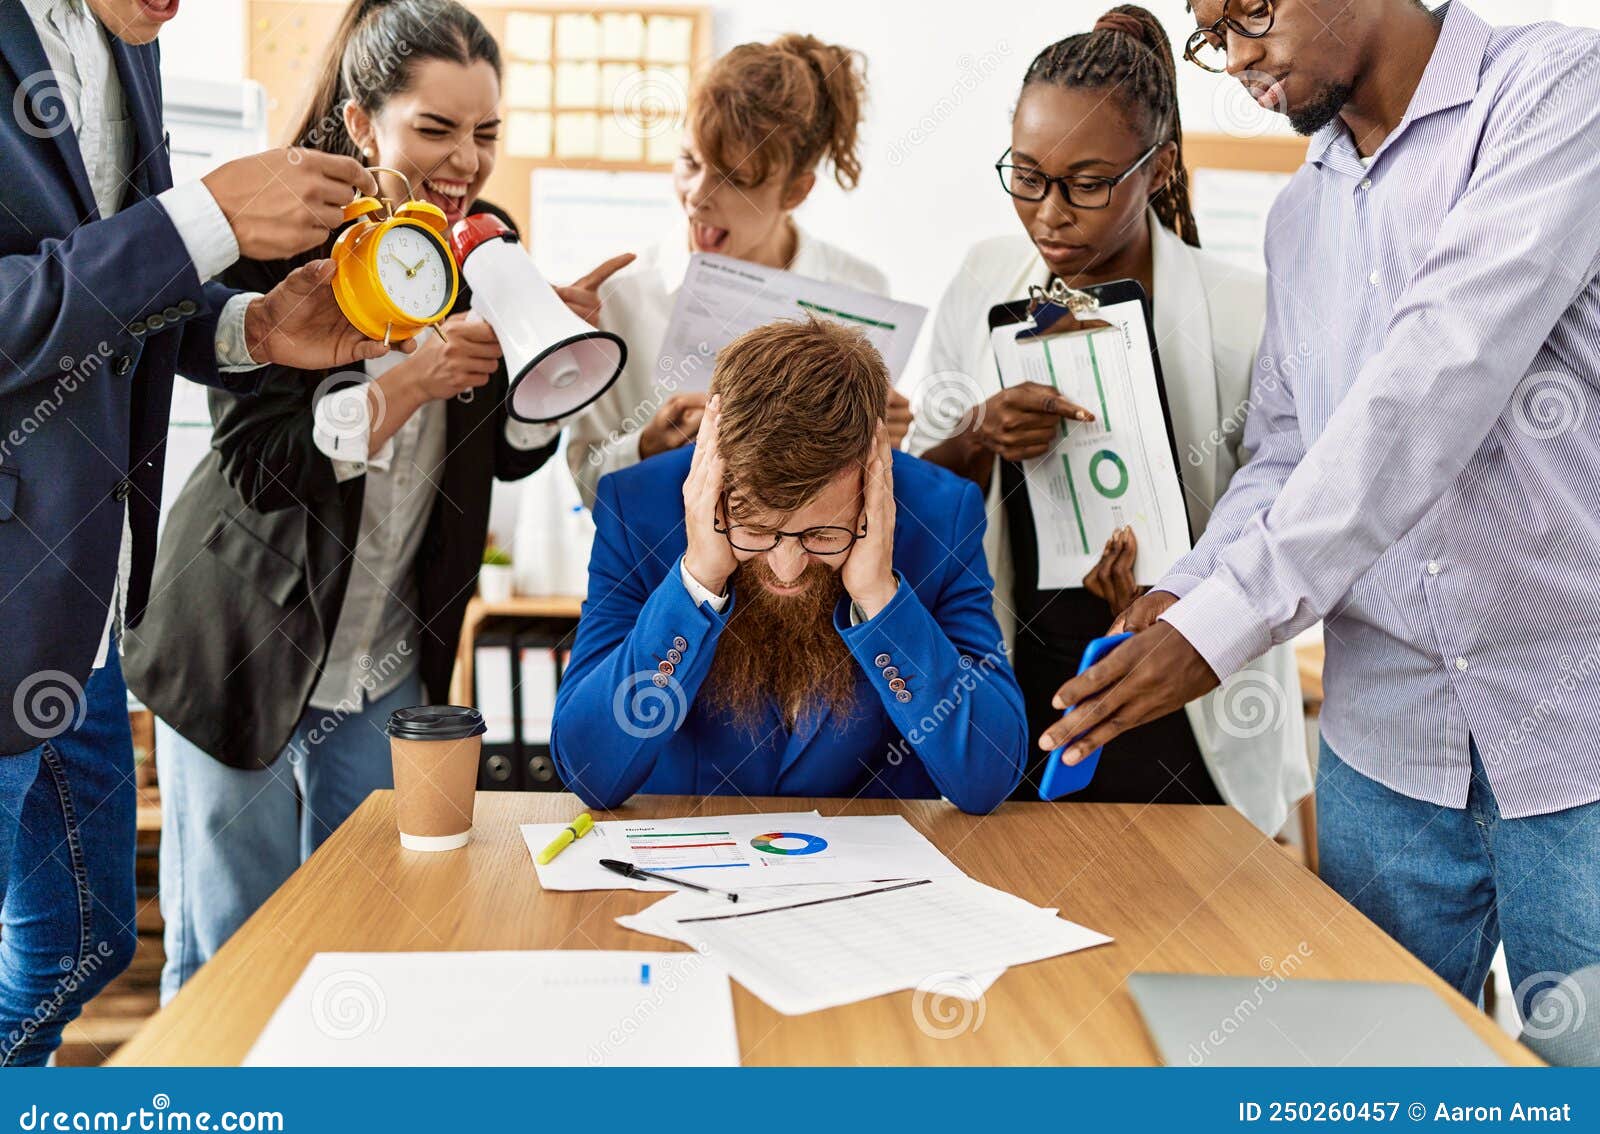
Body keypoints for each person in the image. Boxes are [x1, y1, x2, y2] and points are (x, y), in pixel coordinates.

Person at [1053, 0, 1600, 1018]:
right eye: (1210, 31)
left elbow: (1438, 376)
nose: (1235, 54)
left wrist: (1224, 627)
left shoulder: (1556, 95)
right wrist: (1187, 587)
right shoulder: (1300, 215)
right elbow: (1288, 452)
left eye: (1250, 10)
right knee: (1372, 1086)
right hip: (1383, 748)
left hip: (1577, 742)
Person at [120, 0, 608, 1002]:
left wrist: (543, 364)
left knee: (375, 931)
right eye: (435, 129)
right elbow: (261, 468)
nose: (465, 159)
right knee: (228, 953)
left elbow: (503, 465)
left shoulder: (488, 244)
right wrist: (407, 383)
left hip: (385, 653)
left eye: (485, 134)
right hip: (240, 638)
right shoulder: (277, 247)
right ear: (359, 123)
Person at [0, 0, 398, 1064]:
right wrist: (202, 220)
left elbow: (100, 298)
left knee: (79, 943)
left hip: (82, 604)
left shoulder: (130, 43)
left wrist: (251, 324)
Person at [909, 6, 1308, 829]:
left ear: (1157, 169)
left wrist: (1179, 582)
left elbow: (1291, 516)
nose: (1051, 212)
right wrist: (982, 433)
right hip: (1020, 705)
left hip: (1186, 722)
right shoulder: (986, 278)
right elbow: (914, 498)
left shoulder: (1243, 312)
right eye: (1026, 176)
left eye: (1088, 185)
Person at [551, 318, 1027, 813]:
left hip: (874, 877)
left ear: (871, 467)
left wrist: (881, 599)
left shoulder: (943, 514)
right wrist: (696, 580)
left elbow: (990, 776)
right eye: (756, 531)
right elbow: (589, 771)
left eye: (823, 534)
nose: (787, 566)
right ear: (716, 472)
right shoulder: (636, 507)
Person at [565, 33, 911, 506]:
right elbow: (587, 484)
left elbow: (863, 494)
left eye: (736, 179)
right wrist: (647, 449)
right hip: (657, 573)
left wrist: (883, 442)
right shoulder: (622, 296)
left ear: (796, 192)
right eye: (690, 161)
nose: (698, 195)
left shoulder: (857, 291)